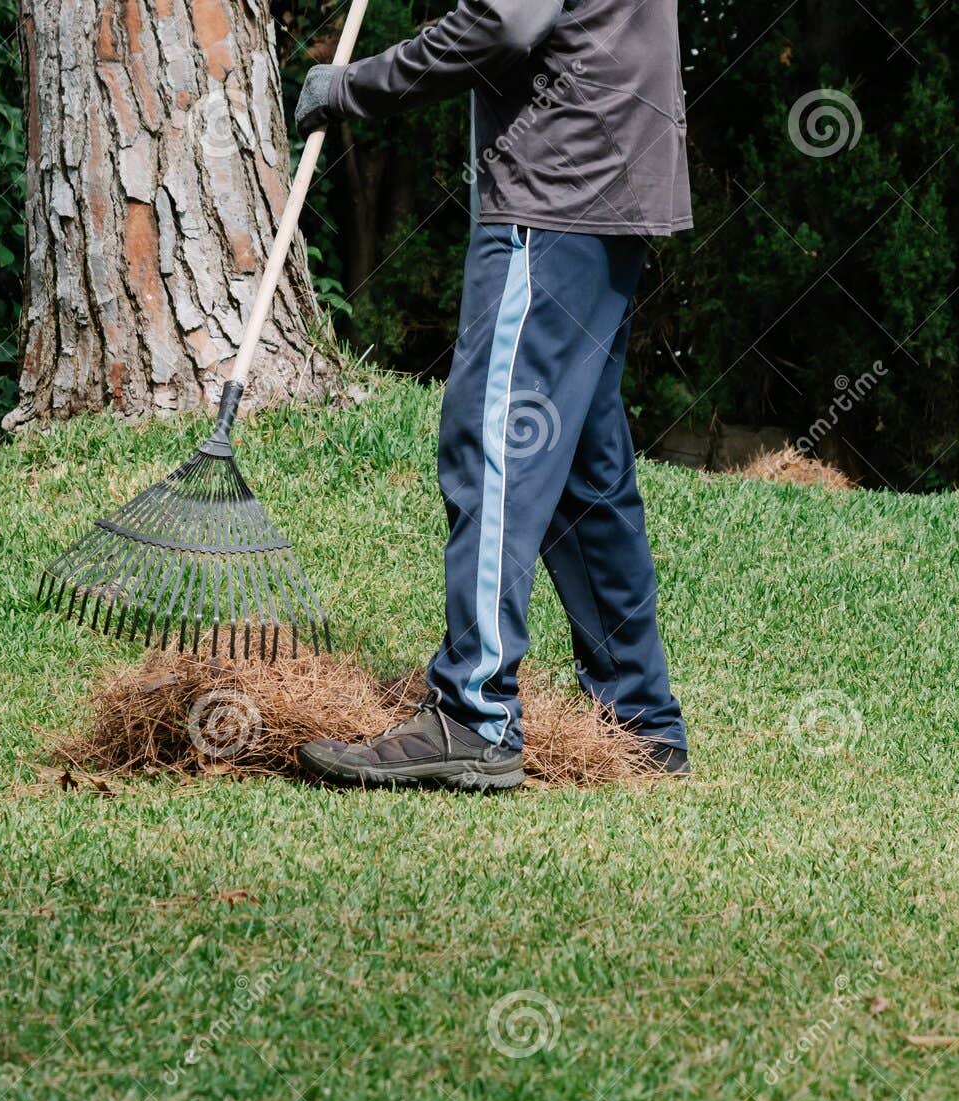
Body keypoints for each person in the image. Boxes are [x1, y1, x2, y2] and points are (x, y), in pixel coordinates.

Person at [295, 0, 693, 790]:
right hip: (612, 187)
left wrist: (355, 87)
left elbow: (503, 22)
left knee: (496, 449)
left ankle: (473, 714)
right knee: (584, 472)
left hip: (554, 195)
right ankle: (641, 722)